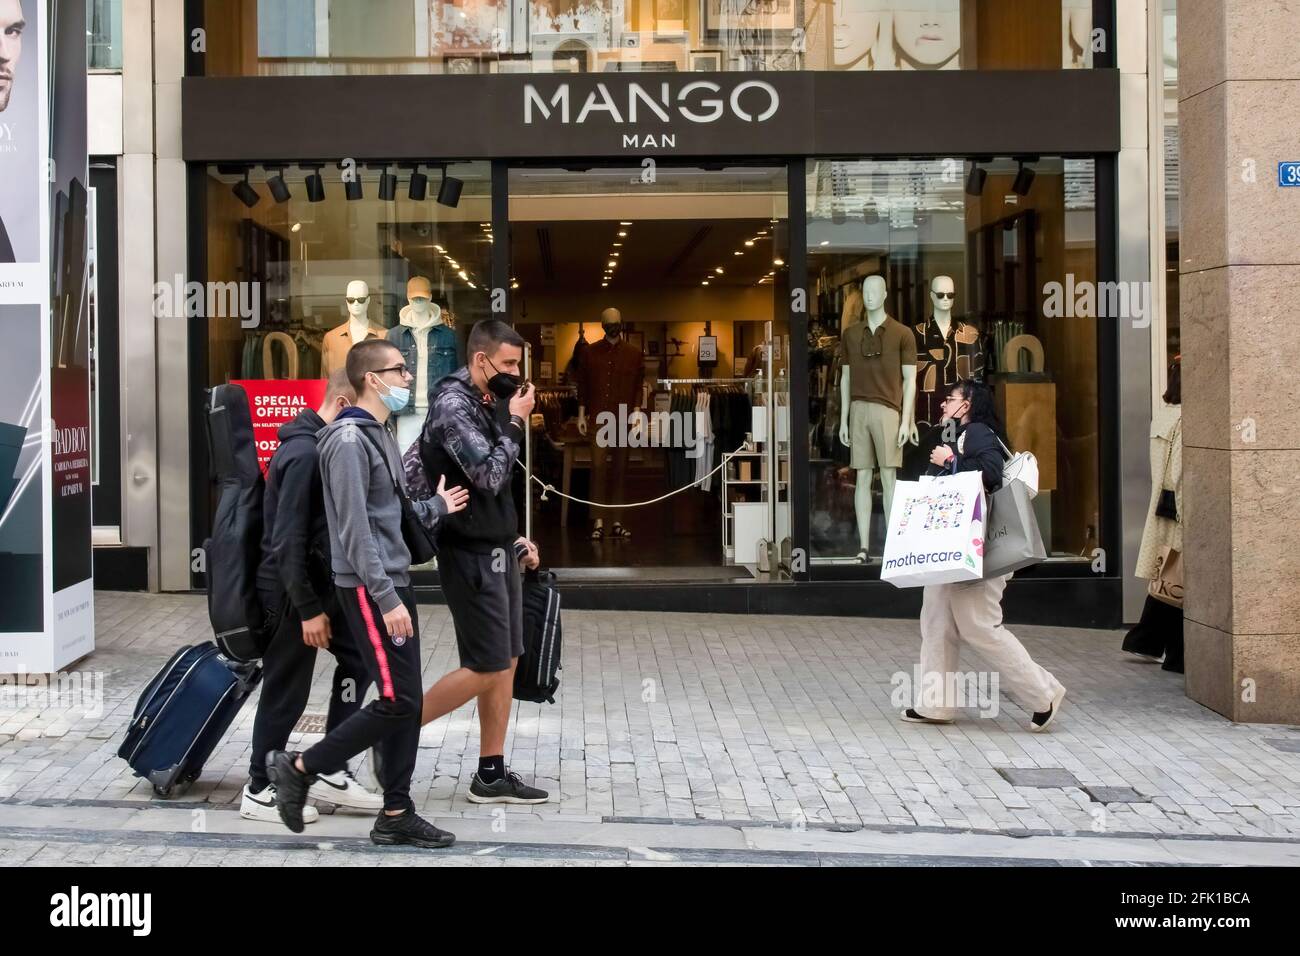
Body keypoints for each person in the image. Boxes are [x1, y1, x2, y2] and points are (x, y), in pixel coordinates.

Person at [266, 340, 470, 848]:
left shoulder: (379, 433)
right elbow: (354, 534)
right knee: (400, 699)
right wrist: (385, 597)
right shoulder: (349, 441)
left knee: (406, 698)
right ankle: (299, 766)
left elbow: (390, 516)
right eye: (399, 370)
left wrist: (435, 510)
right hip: (370, 588)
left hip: (394, 580)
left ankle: (396, 811)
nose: (407, 377)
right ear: (371, 379)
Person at [417, 319, 549, 804]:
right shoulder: (453, 406)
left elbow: (494, 490)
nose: (515, 373)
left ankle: (490, 772)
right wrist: (516, 421)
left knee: (507, 660)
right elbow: (490, 475)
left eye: (519, 364)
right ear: (480, 360)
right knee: (487, 664)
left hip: (497, 548)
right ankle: (391, 731)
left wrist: (514, 536)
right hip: (468, 554)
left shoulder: (486, 399)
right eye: (509, 364)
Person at [242, 371, 383, 823]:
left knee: (359, 661)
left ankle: (329, 767)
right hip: (290, 594)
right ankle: (259, 787)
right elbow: (286, 540)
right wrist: (307, 610)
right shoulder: (303, 453)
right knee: (287, 688)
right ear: (343, 405)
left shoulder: (315, 445)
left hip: (318, 589)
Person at [902, 380, 1067, 732]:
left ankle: (1044, 693)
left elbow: (990, 473)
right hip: (956, 550)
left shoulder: (977, 431)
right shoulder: (966, 434)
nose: (944, 405)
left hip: (978, 550)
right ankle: (935, 703)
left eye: (951, 399)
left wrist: (950, 460)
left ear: (969, 404)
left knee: (978, 625)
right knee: (936, 622)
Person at [1122, 357, 1183, 672]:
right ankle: (1170, 652)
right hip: (1178, 506)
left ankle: (1145, 640)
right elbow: (1180, 472)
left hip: (1161, 504)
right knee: (1177, 577)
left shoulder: (1163, 416)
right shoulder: (1186, 420)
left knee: (1168, 575)